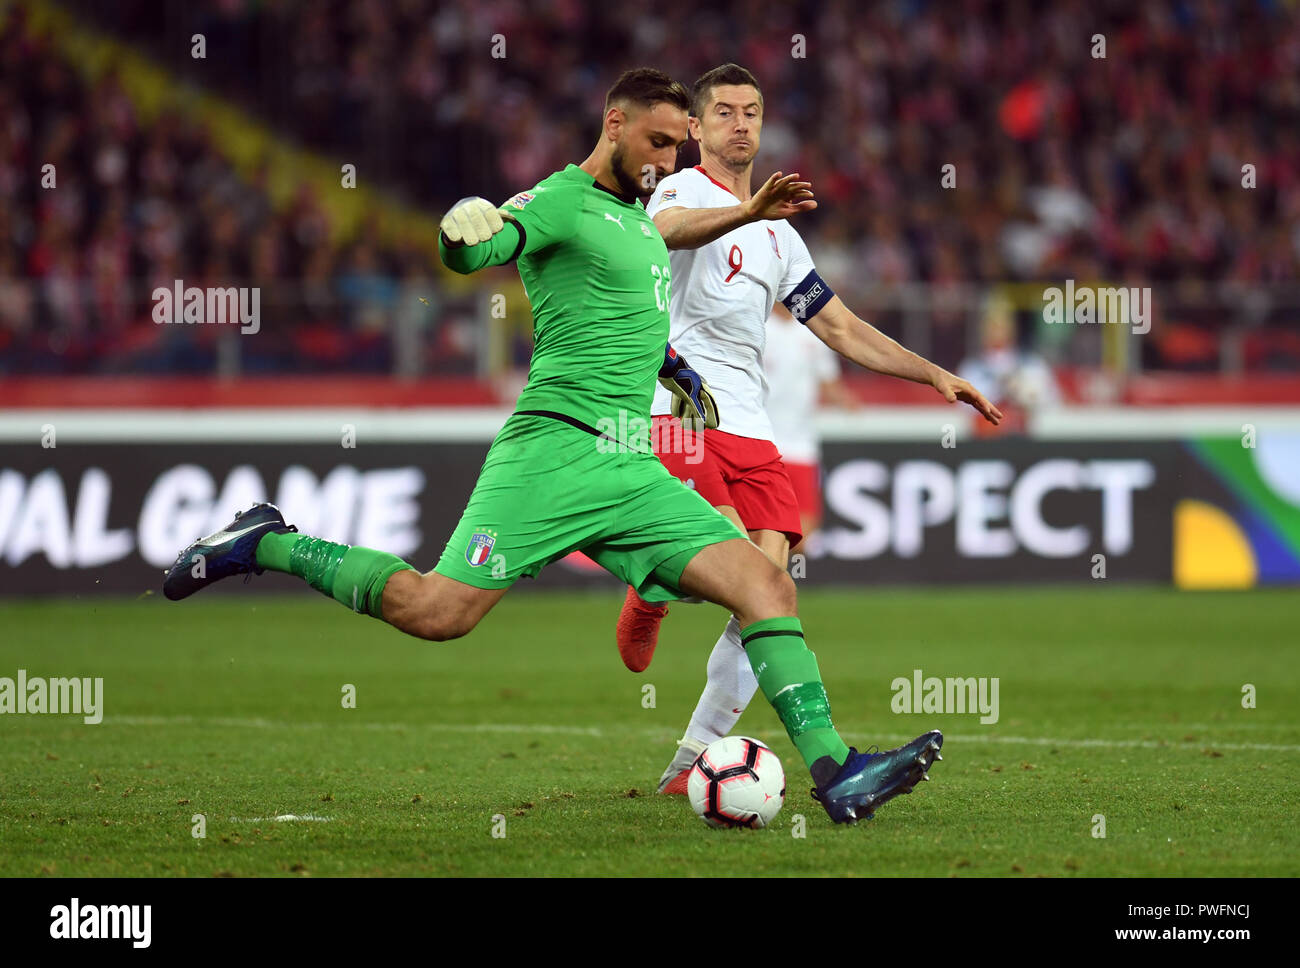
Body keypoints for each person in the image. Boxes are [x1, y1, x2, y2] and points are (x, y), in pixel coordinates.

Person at [162, 68, 946, 825]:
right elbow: (486, 244)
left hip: (630, 465)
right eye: (659, 141)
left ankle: (837, 772)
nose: (667, 161)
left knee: (768, 589)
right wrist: (463, 235)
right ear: (615, 125)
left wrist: (677, 372)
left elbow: (631, 323)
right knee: (438, 613)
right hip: (550, 454)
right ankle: (268, 543)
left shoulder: (641, 228)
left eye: (677, 147)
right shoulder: (563, 202)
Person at [610, 65, 1000, 795]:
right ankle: (653, 584)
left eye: (752, 111)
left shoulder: (781, 236)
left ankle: (691, 761)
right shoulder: (678, 189)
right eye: (723, 112)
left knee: (773, 595)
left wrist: (932, 373)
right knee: (736, 571)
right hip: (681, 413)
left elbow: (840, 326)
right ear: (695, 128)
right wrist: (750, 208)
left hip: (755, 432)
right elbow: (665, 234)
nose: (740, 124)